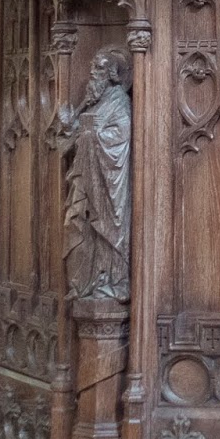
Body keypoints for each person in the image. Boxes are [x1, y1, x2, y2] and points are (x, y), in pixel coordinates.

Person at [58, 48, 132, 302]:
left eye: (99, 69)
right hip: (86, 175)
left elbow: (121, 136)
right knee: (76, 220)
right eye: (92, 68)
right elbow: (76, 137)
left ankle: (111, 281)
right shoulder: (96, 102)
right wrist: (71, 126)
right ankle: (84, 282)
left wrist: (91, 134)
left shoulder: (119, 101)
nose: (92, 73)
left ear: (112, 74)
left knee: (106, 227)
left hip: (109, 181)